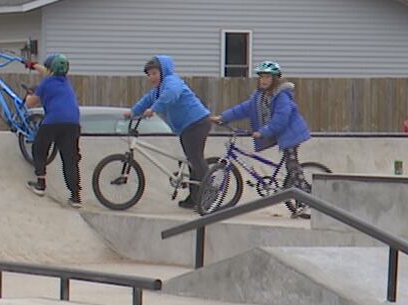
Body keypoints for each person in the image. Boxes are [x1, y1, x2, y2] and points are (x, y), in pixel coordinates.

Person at [215, 60, 313, 217]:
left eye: (268, 77)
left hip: (291, 133)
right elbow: (243, 109)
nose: (263, 80)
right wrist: (223, 117)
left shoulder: (282, 96)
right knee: (289, 165)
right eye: (261, 77)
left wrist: (263, 132)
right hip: (278, 132)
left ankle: (307, 200)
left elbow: (281, 119)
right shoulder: (259, 97)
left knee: (292, 165)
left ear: (276, 79)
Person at [123, 54, 213, 210]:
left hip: (197, 122)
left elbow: (171, 95)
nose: (152, 77)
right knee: (191, 161)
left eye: (155, 73)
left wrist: (154, 109)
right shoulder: (157, 91)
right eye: (149, 75)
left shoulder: (172, 81)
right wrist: (132, 112)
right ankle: (194, 198)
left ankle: (210, 195)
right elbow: (146, 100)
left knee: (195, 159)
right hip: (187, 127)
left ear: (163, 72)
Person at [24, 53, 83, 207]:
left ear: (50, 70)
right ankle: (75, 196)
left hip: (53, 121)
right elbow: (46, 70)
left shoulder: (46, 83)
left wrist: (30, 93)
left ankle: (40, 184)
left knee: (39, 148)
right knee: (70, 159)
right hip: (73, 122)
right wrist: (33, 65)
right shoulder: (66, 81)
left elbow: (30, 104)